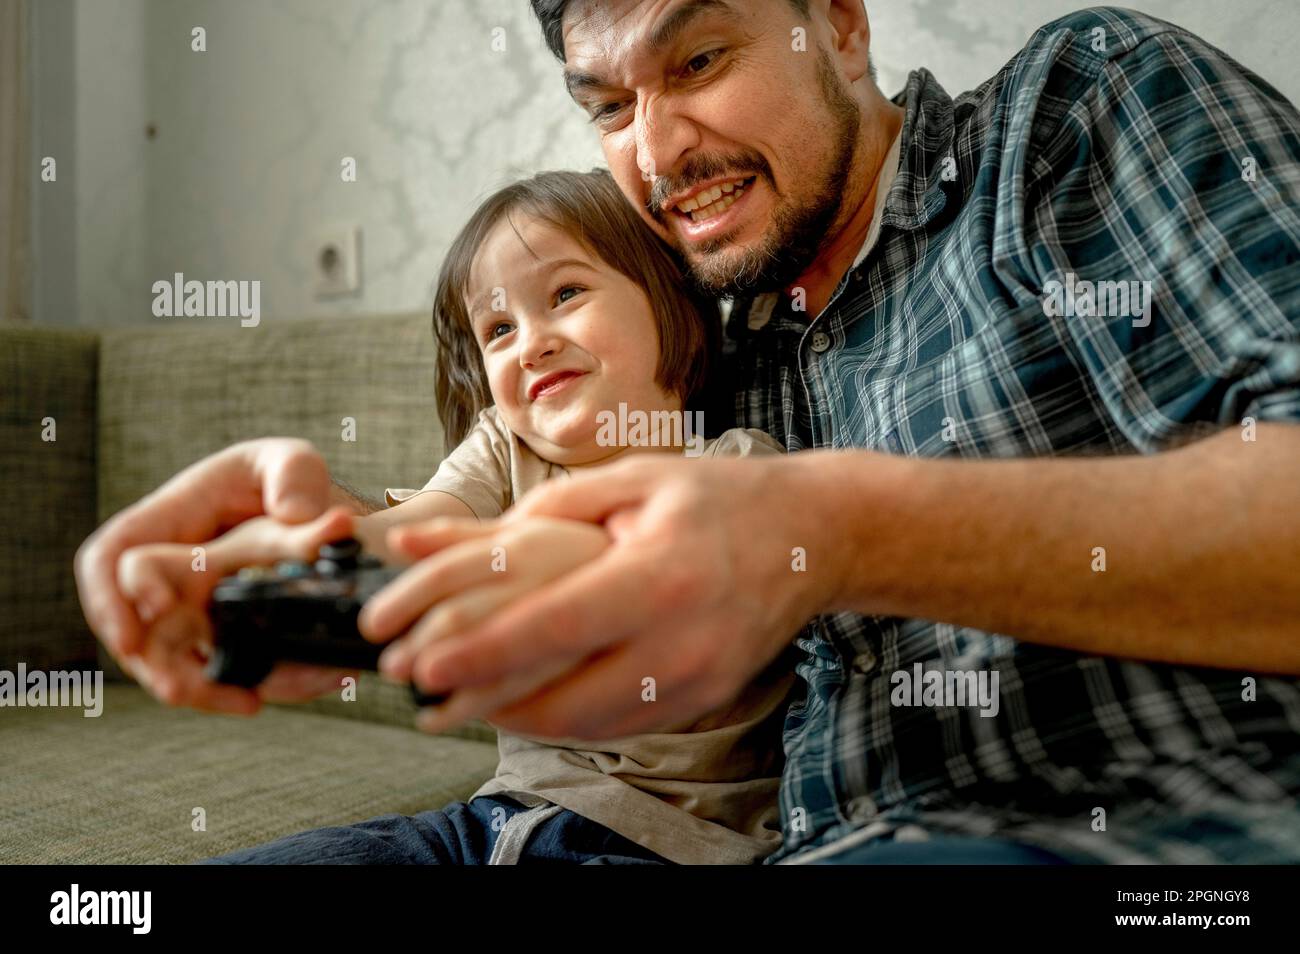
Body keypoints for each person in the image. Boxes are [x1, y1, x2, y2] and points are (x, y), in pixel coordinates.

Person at [78, 2, 1300, 865]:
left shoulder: (1072, 107)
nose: (655, 156)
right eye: (606, 104)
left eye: (700, 56)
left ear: (841, 20)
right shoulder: (688, 339)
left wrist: (827, 530)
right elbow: (473, 531)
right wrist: (298, 560)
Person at [114, 169, 796, 865]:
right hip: (489, 827)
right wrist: (283, 547)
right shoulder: (503, 448)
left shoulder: (738, 466)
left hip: (671, 850)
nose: (532, 343)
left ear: (666, 297)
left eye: (565, 294)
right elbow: (411, 539)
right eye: (498, 328)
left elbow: (678, 574)